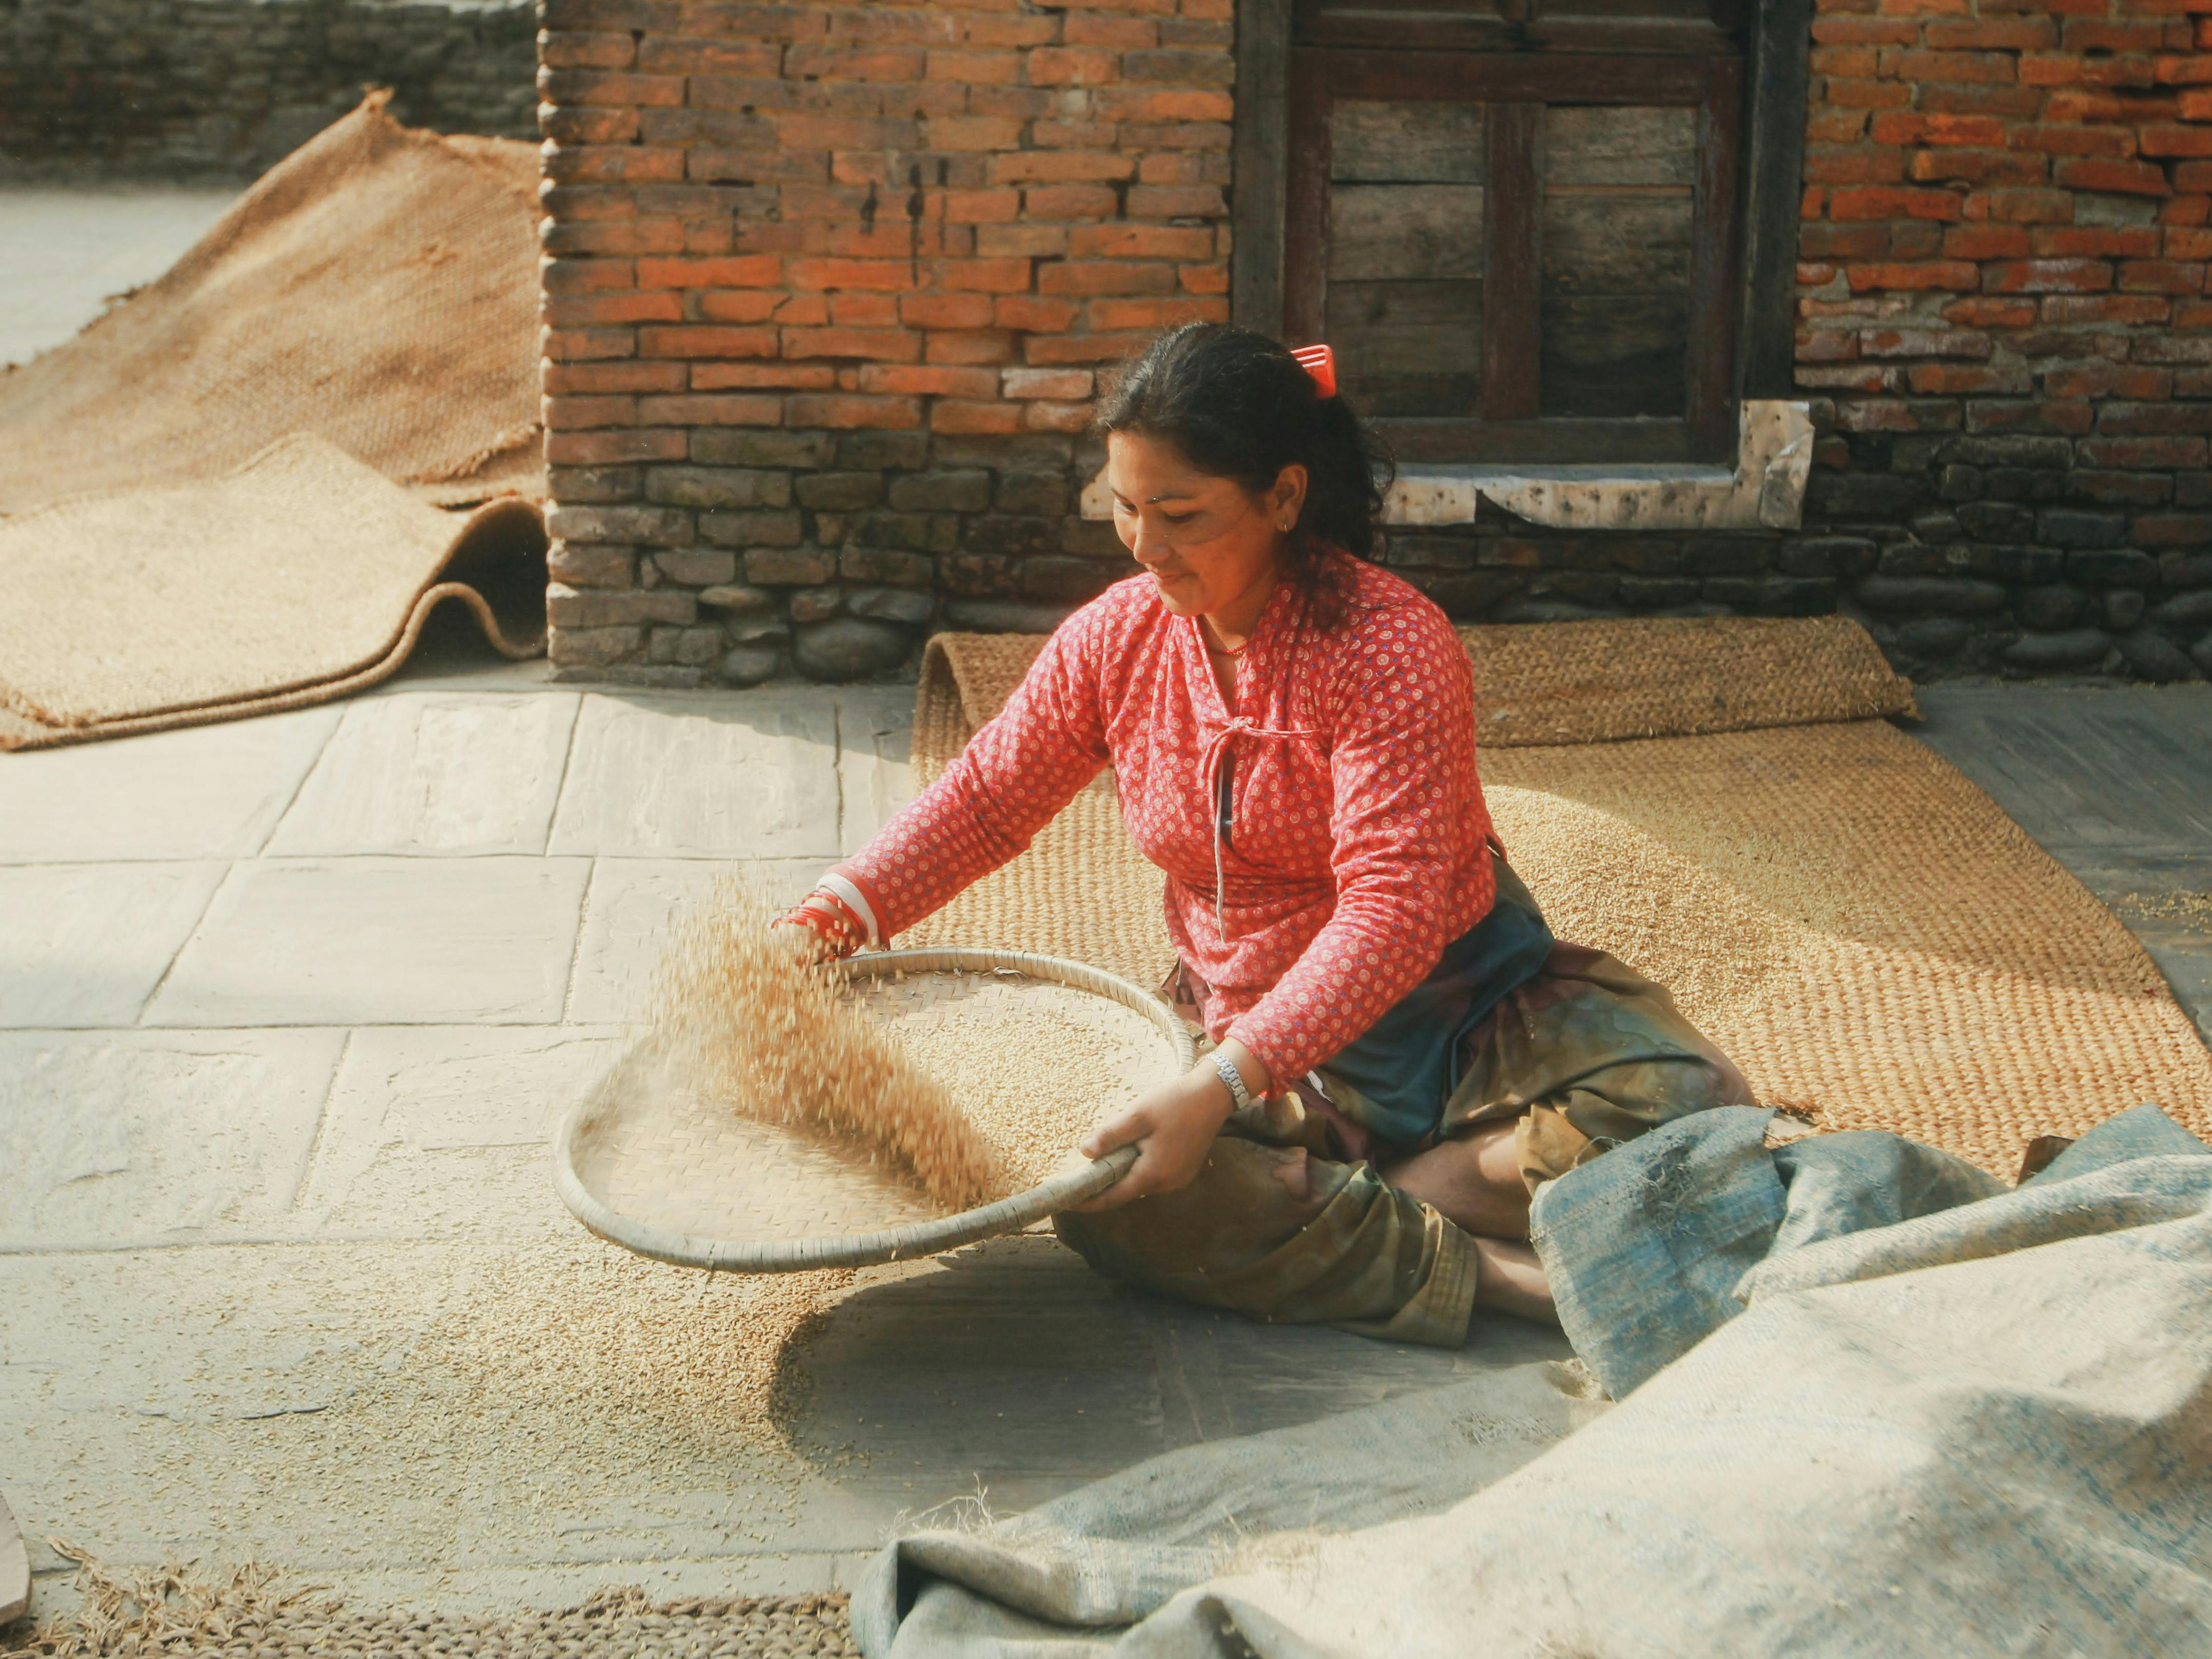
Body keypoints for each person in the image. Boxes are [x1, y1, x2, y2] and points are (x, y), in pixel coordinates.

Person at [778, 323, 1752, 1348]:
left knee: (1695, 1108)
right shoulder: (1120, 635)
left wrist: (1222, 1089)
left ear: (1284, 497)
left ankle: (1372, 1194)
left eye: (1181, 513)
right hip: (1240, 1020)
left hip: (1458, 1011)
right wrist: (830, 918)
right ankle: (1494, 1272)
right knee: (1114, 1193)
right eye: (1125, 509)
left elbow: (1392, 910)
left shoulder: (1390, 645)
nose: (1148, 547)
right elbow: (984, 800)